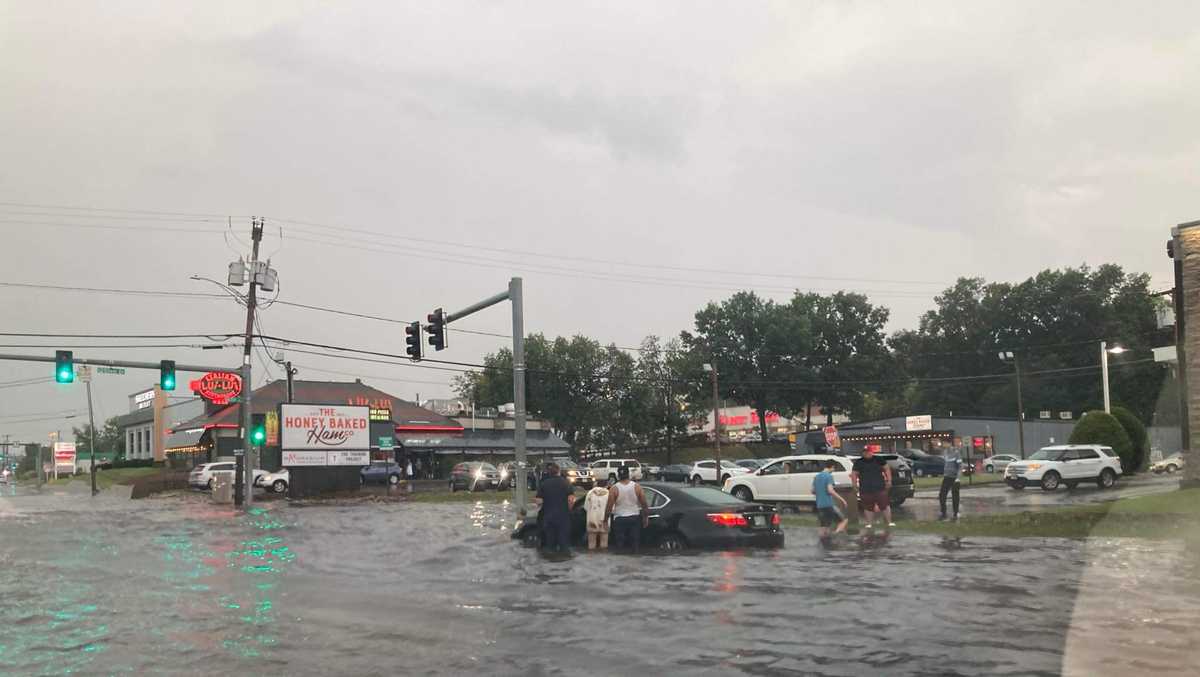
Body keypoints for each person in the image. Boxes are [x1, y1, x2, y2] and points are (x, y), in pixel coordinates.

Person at [605, 465, 648, 553]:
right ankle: (634, 559)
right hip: (634, 517)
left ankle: (620, 560)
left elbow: (609, 506)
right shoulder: (637, 487)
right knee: (634, 541)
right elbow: (644, 503)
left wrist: (605, 520)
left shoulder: (614, 488)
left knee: (619, 543)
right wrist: (645, 517)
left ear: (618, 475)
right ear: (628, 474)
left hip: (619, 518)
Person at [851, 444, 892, 533]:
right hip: (865, 488)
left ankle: (889, 522)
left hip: (880, 487)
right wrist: (854, 485)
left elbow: (887, 469)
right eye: (864, 452)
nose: (866, 454)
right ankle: (869, 523)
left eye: (868, 452)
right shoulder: (859, 462)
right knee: (867, 507)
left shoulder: (879, 459)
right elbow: (854, 474)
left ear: (871, 452)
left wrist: (889, 480)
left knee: (885, 505)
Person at [534, 462, 573, 553]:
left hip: (549, 517)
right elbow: (571, 500)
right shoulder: (566, 483)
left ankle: (550, 559)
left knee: (550, 544)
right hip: (563, 518)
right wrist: (568, 510)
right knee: (564, 545)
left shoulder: (544, 484)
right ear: (559, 471)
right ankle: (565, 562)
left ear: (549, 472)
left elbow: (538, 502)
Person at [812, 458, 848, 544]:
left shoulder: (817, 476)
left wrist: (820, 491)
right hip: (828, 504)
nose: (833, 470)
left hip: (819, 505)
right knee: (843, 521)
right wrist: (842, 499)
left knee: (824, 525)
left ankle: (823, 543)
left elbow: (812, 491)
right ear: (832, 467)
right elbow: (830, 490)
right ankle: (834, 535)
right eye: (834, 468)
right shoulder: (829, 476)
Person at [583, 484, 611, 550]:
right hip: (604, 520)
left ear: (595, 484)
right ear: (606, 485)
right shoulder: (608, 493)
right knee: (604, 543)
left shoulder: (590, 493)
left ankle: (591, 555)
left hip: (592, 520)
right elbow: (611, 508)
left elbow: (586, 507)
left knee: (591, 544)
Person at [939, 446, 963, 521]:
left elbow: (960, 466)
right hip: (947, 477)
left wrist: (958, 478)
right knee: (942, 494)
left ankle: (955, 513)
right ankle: (943, 512)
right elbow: (946, 464)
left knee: (955, 495)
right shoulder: (946, 453)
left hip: (954, 478)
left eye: (946, 444)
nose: (945, 446)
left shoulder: (956, 453)